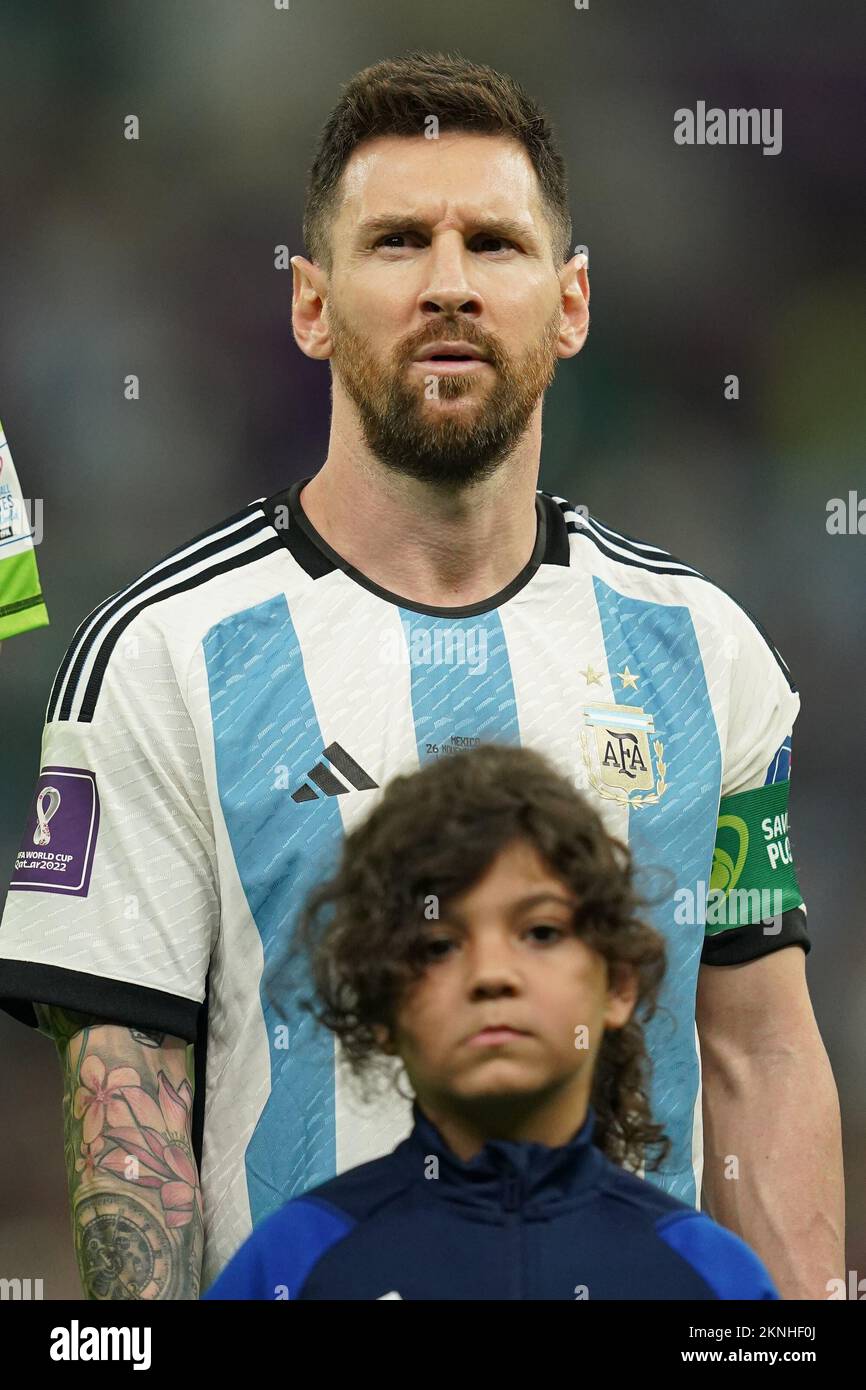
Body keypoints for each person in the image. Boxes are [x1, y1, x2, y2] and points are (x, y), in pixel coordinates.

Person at [0, 51, 841, 1300]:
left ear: (569, 304)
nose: (447, 285)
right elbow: (132, 1100)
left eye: (492, 245)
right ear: (310, 303)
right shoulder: (163, 654)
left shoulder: (704, 650)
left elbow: (757, 1055)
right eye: (396, 242)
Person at [204, 743, 778, 1300]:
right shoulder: (293, 1263)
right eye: (437, 946)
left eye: (541, 932)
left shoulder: (709, 1277)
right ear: (382, 1008)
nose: (491, 974)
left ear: (618, 986)